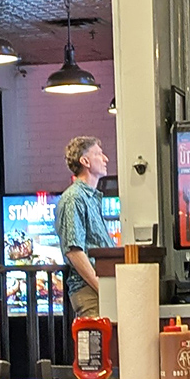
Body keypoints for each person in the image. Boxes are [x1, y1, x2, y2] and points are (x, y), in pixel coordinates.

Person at [55, 136, 113, 318]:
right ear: (85, 161)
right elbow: (73, 250)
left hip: (98, 288)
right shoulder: (74, 198)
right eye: (98, 154)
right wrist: (99, 285)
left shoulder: (89, 198)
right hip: (89, 290)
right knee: (97, 344)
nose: (105, 159)